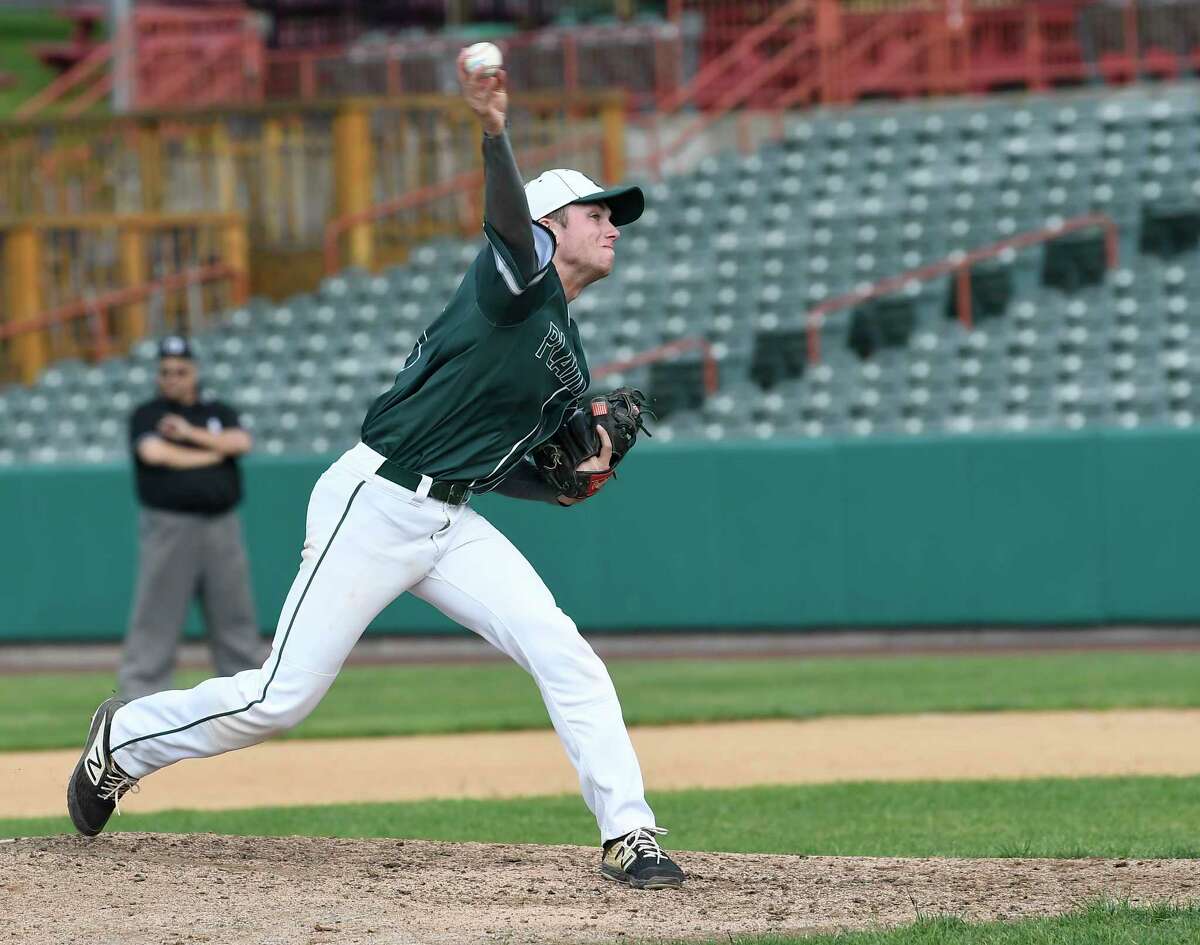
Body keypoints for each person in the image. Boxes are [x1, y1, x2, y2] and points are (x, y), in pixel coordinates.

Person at [67, 50, 685, 891]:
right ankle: (123, 741)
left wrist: (577, 476)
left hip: (450, 517)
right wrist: (494, 132)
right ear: (550, 226)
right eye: (597, 210)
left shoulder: (568, 359)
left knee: (564, 652)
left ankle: (630, 833)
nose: (614, 223)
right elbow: (506, 220)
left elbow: (509, 469)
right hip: (376, 499)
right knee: (278, 699)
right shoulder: (516, 281)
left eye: (616, 215)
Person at [120, 336, 262, 700]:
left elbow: (241, 443)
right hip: (170, 527)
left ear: (194, 371)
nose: (172, 378)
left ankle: (246, 700)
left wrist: (187, 435)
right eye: (165, 372)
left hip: (222, 525)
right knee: (157, 616)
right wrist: (212, 453)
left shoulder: (216, 411)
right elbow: (156, 454)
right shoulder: (147, 414)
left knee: (235, 615)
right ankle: (139, 699)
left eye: (180, 371)